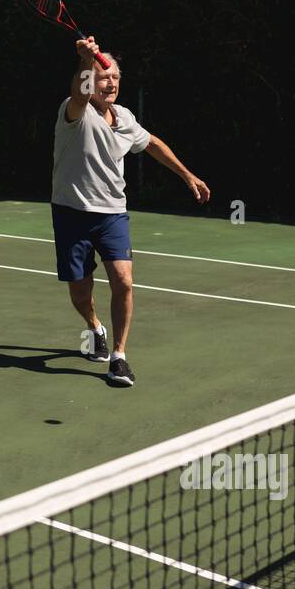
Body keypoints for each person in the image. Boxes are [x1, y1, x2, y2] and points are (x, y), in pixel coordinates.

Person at [51, 36, 210, 387]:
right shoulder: (75, 111)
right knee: (80, 290)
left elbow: (151, 143)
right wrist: (85, 61)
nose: (109, 83)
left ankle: (119, 358)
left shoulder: (124, 118)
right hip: (71, 211)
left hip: (112, 214)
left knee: (123, 280)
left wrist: (187, 175)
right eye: (102, 77)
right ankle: (94, 327)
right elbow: (79, 92)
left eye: (114, 78)